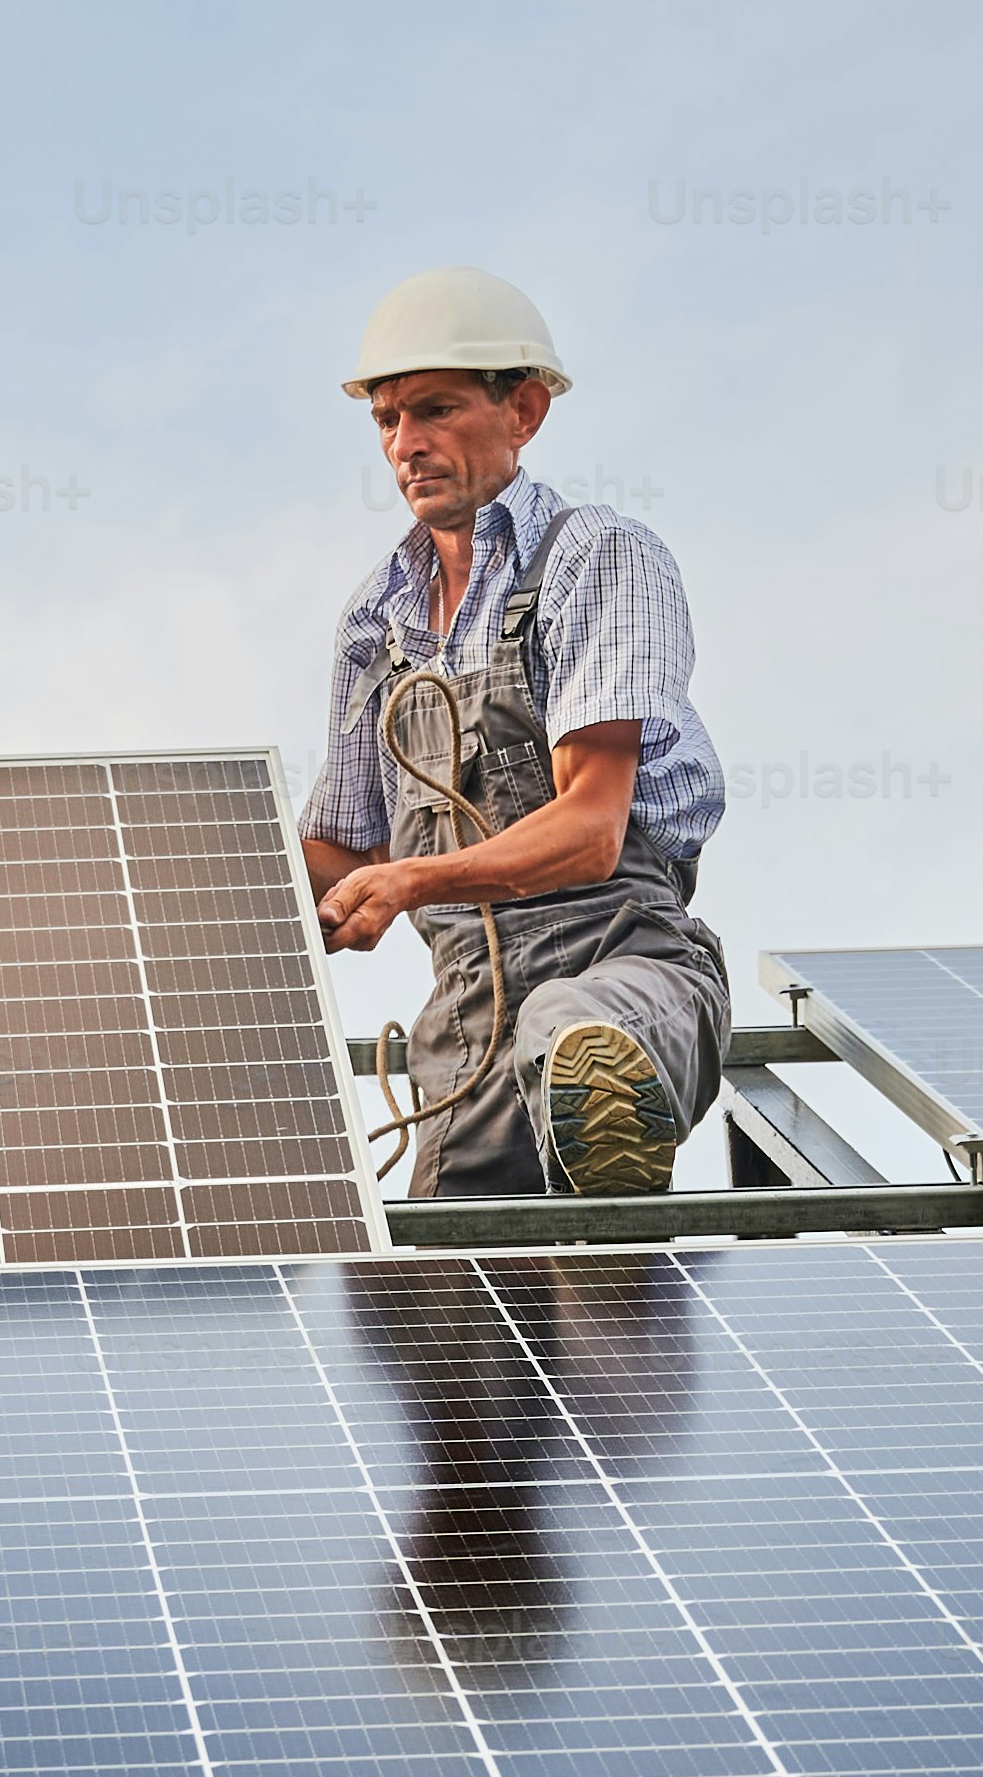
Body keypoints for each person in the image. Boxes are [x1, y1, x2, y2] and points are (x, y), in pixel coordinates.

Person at [302, 272, 733, 1201]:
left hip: (618, 961)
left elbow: (590, 830)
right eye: (386, 419)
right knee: (439, 1280)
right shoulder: (376, 624)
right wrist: (176, 880)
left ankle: (606, 1117)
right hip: (466, 1028)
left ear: (524, 410)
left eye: (437, 409)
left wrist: (411, 881)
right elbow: (349, 854)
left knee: (571, 1035)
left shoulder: (593, 556)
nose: (405, 443)